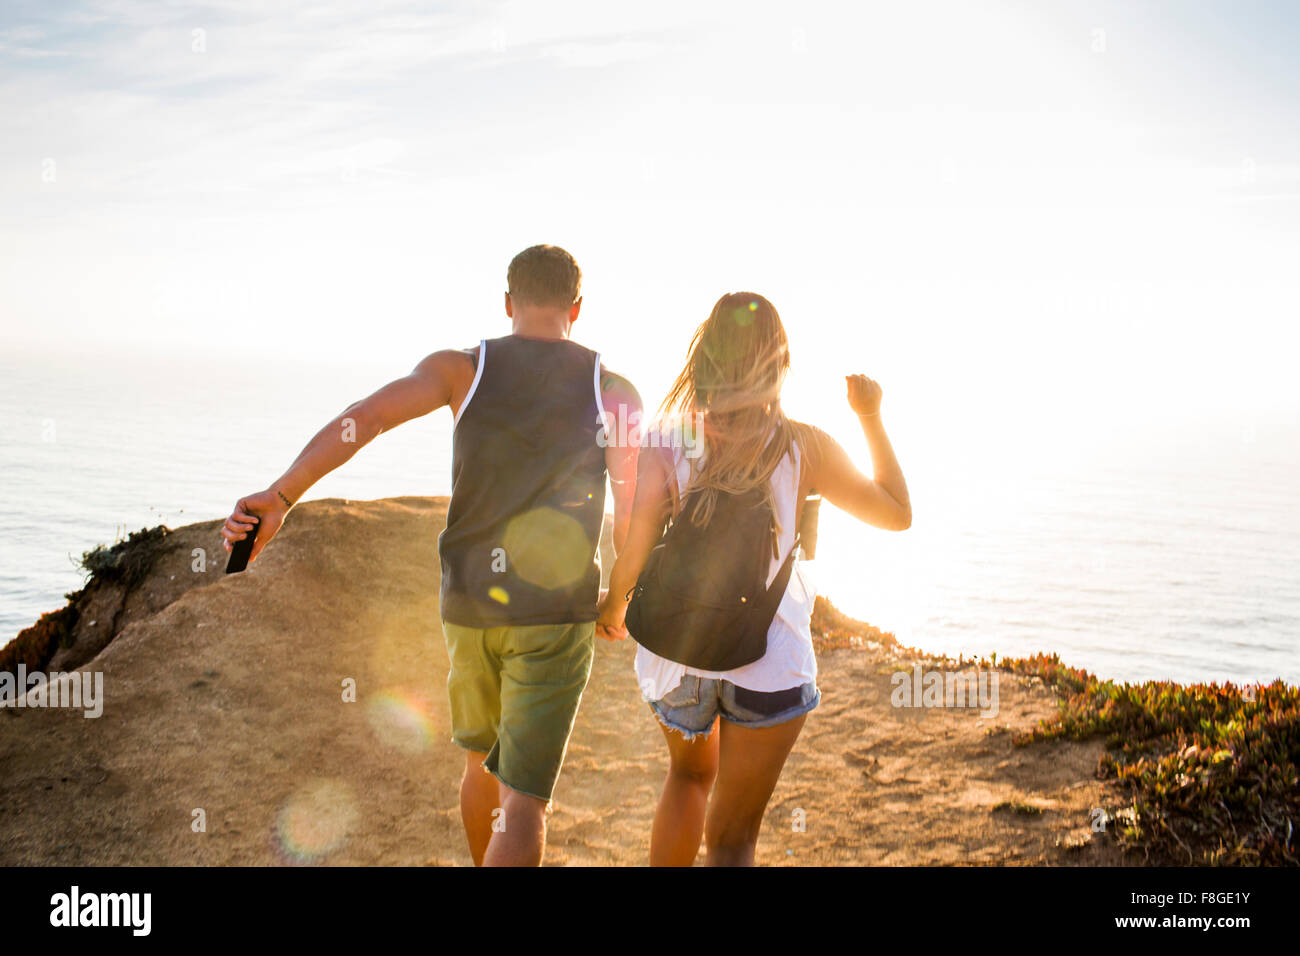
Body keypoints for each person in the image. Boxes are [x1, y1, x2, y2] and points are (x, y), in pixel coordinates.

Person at [220, 245, 642, 866]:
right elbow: (632, 510)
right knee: (524, 801)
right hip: (554, 614)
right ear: (577, 308)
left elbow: (363, 420)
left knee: (480, 762)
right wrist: (617, 601)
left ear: (507, 302)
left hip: (468, 605)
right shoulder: (614, 391)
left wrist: (282, 495)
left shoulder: (459, 370)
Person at [596, 291, 910, 867]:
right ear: (780, 364)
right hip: (771, 662)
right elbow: (896, 513)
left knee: (688, 781)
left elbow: (631, 549)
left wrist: (614, 608)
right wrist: (869, 416)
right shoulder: (803, 445)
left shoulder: (670, 438)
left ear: (705, 358)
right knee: (735, 837)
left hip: (679, 656)